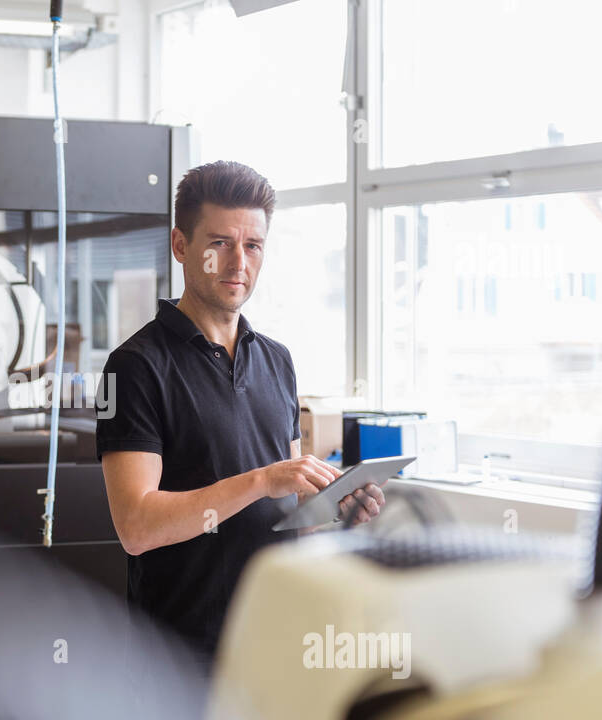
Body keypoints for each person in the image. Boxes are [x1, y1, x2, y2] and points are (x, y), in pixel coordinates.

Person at [96, 160, 387, 665]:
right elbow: (136, 527)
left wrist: (335, 512)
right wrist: (262, 480)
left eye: (253, 246)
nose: (238, 263)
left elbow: (291, 514)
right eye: (220, 243)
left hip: (277, 642)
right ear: (181, 245)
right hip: (180, 656)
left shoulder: (277, 360)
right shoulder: (133, 367)